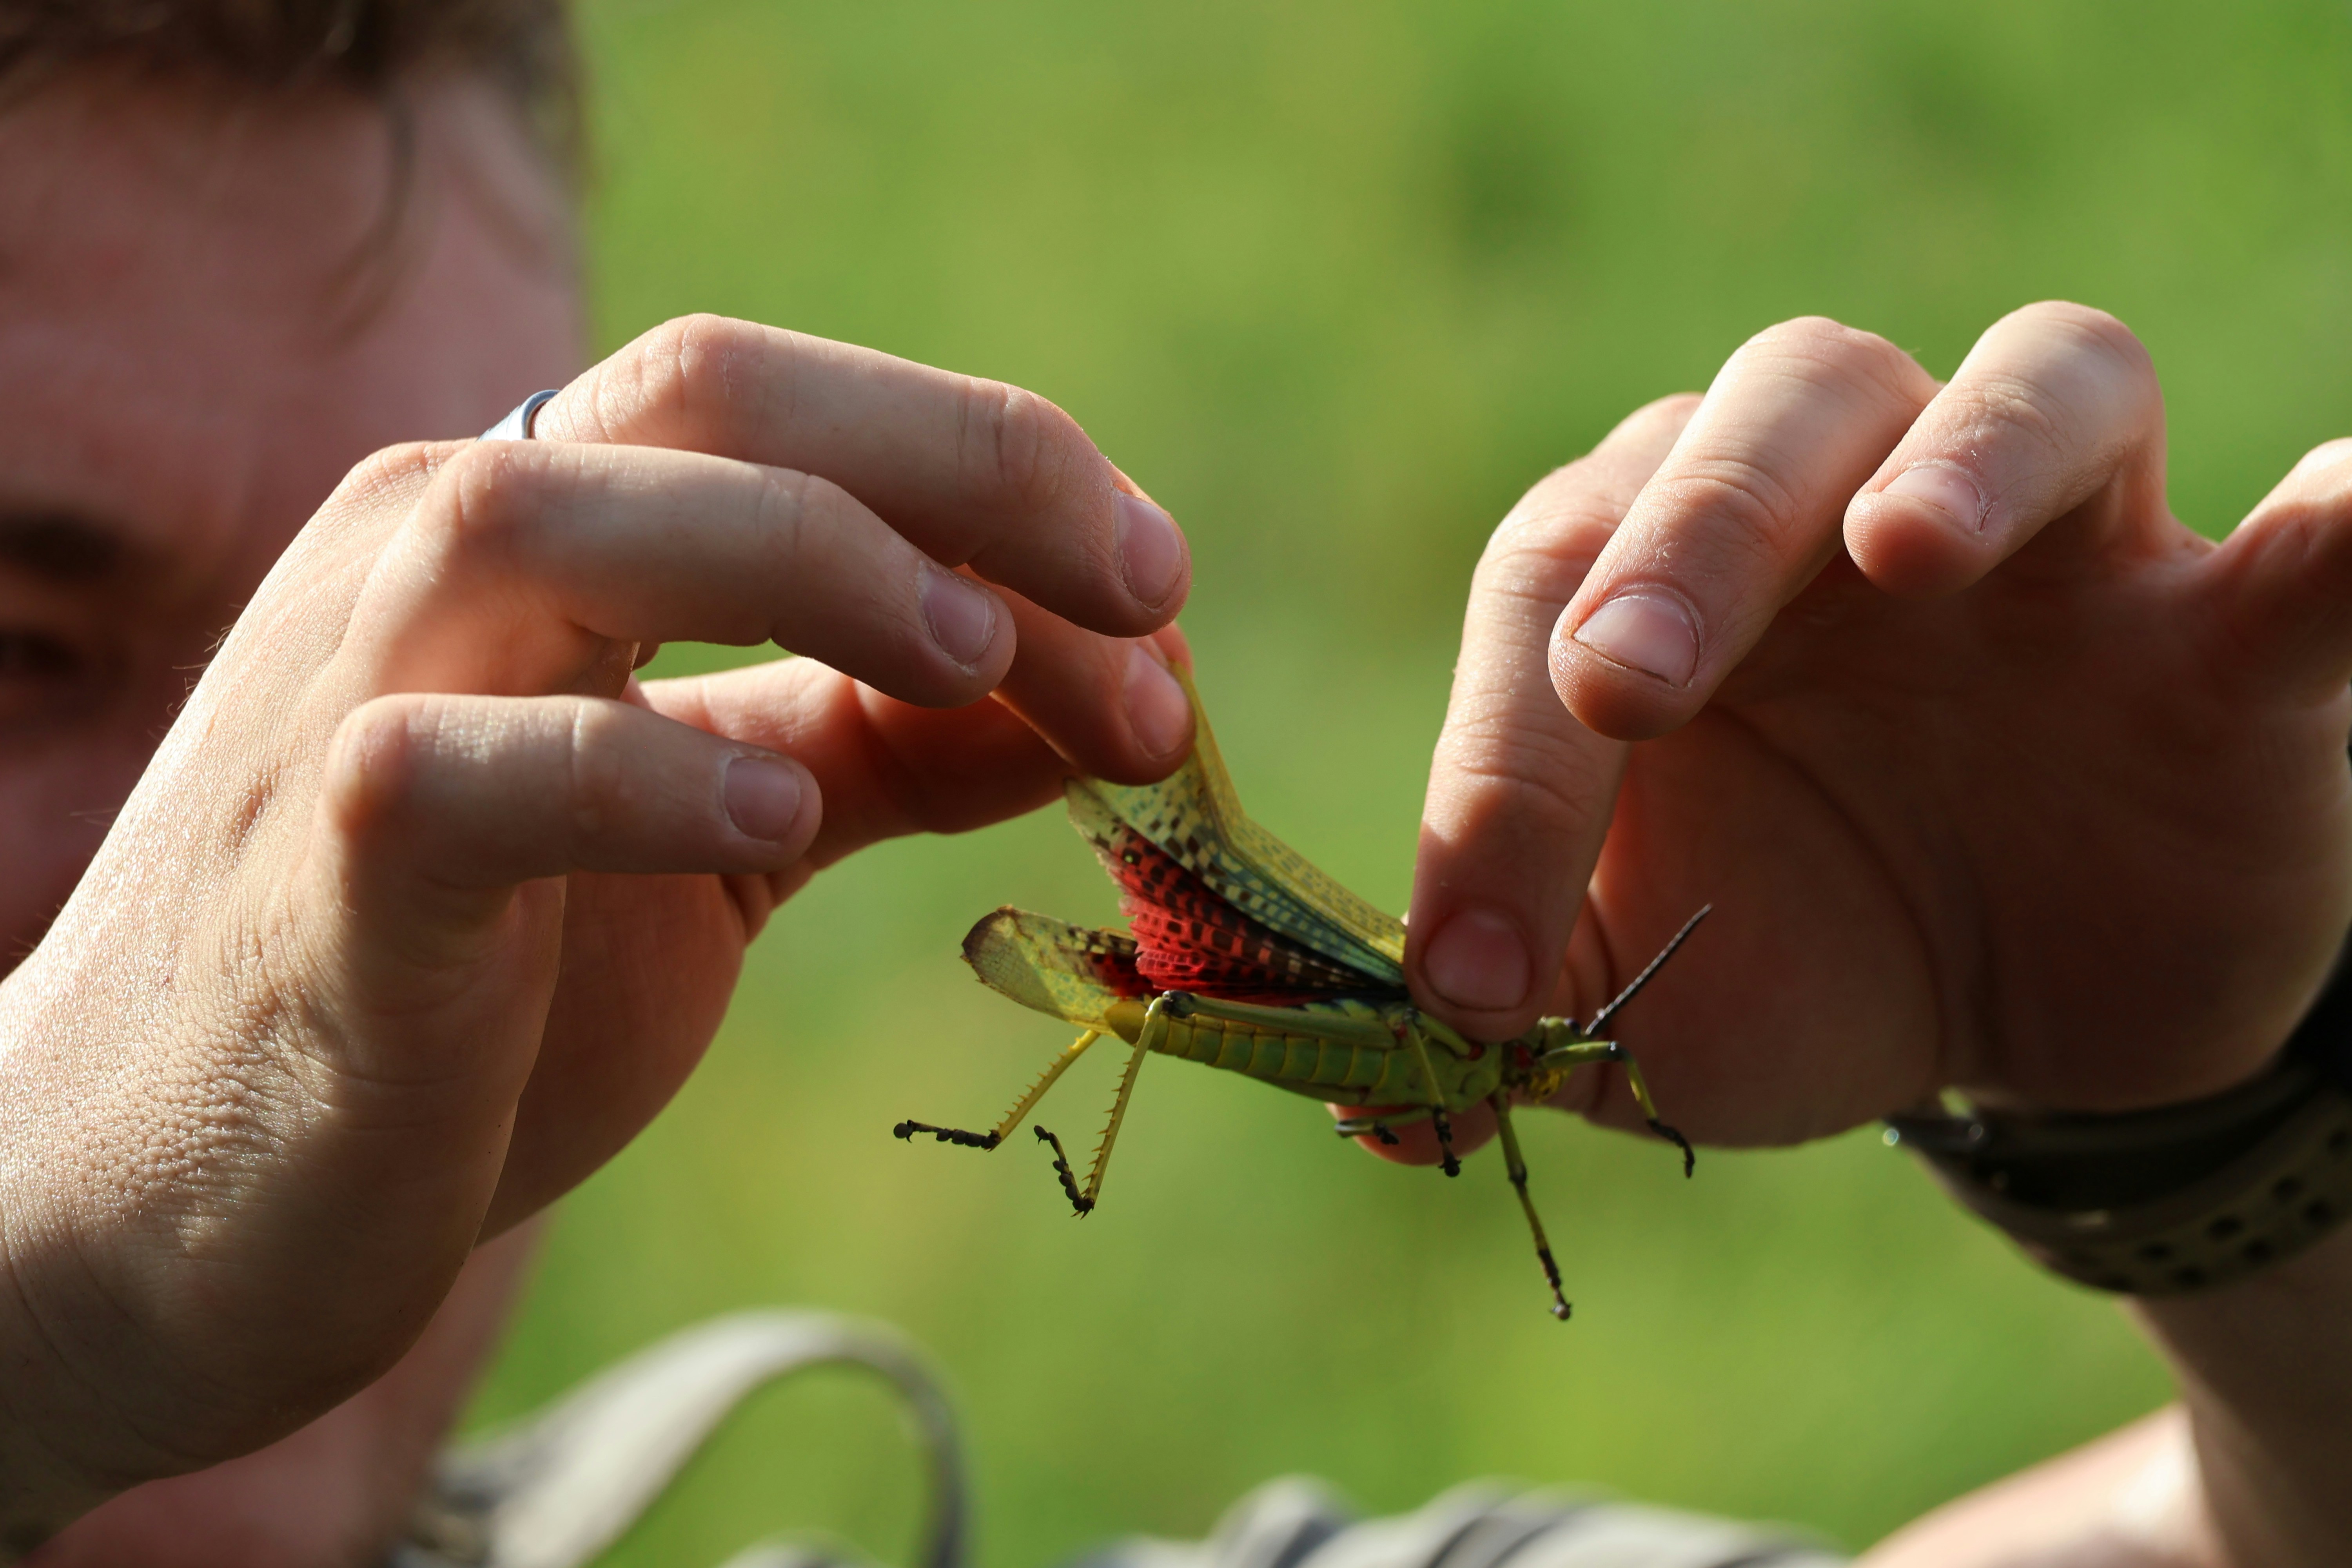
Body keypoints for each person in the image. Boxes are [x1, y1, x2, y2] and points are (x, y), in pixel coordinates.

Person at [0, 5, 2345, 1567]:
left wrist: (2216, 1138)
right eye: (15, 646)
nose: (308, 811)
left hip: (1308, 979)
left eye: (484, 639)